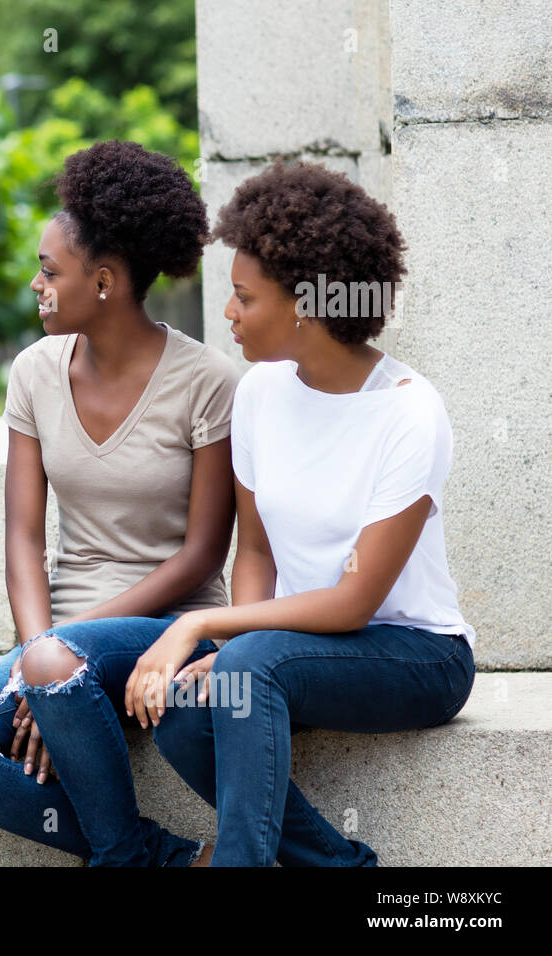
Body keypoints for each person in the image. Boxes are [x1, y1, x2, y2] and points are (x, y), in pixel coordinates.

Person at [0, 140, 239, 866]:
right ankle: (161, 859)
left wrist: (53, 661)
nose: (36, 285)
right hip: (55, 642)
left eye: (49, 271)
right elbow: (23, 541)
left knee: (58, 666)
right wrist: (38, 658)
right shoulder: (34, 371)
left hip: (167, 631)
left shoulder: (207, 380)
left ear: (106, 281)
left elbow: (202, 556)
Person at [149, 159, 476, 866]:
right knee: (182, 713)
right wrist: (231, 649)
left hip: (418, 654)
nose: (228, 313)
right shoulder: (259, 394)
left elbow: (356, 603)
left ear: (305, 304)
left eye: (244, 297)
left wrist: (204, 626)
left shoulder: (410, 412)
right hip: (294, 647)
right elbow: (256, 552)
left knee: (246, 667)